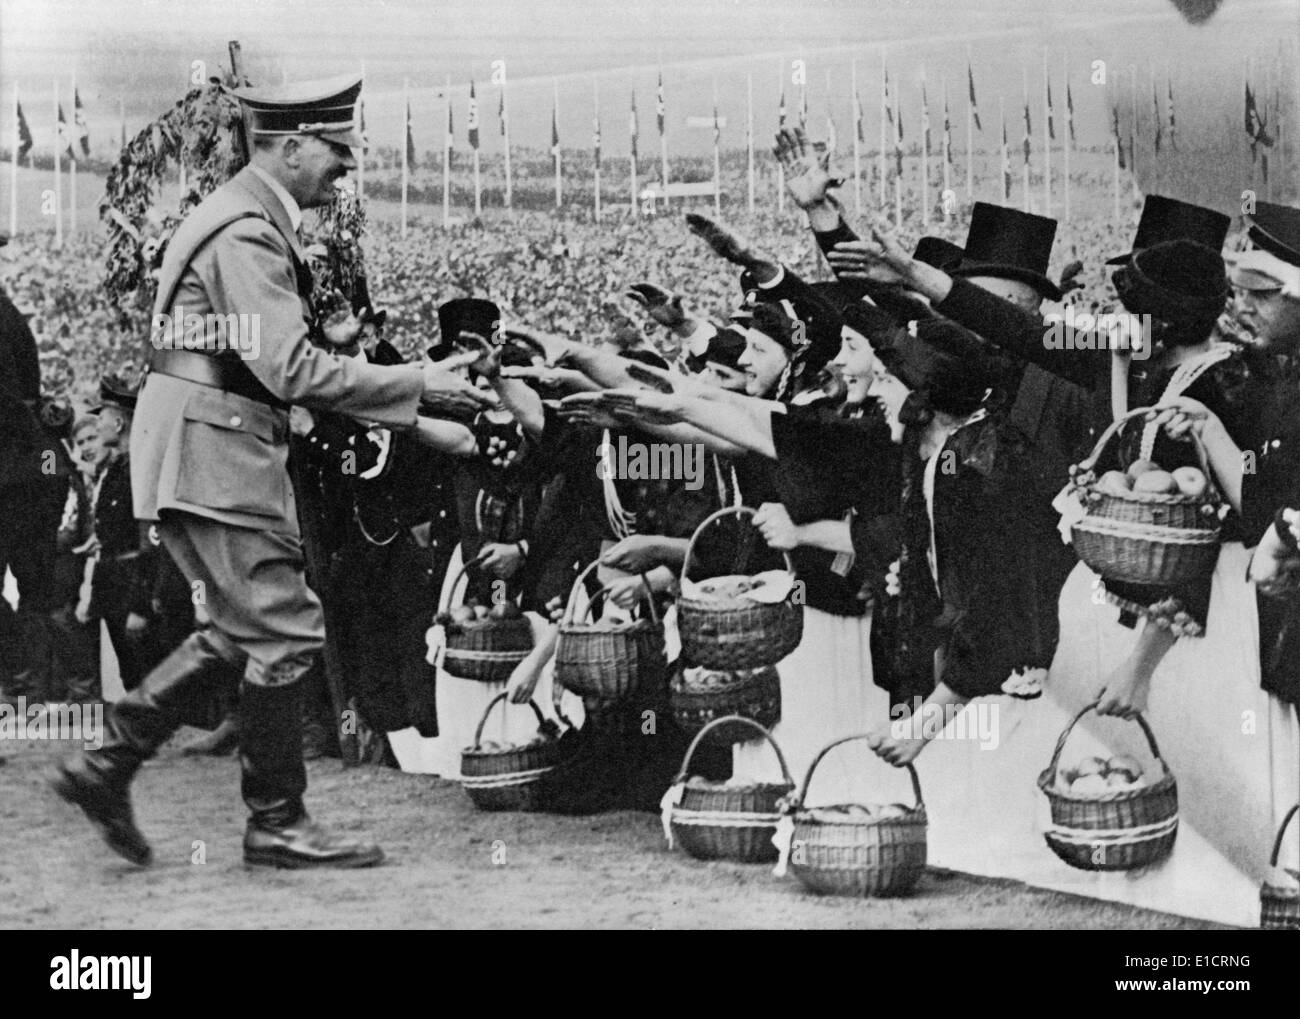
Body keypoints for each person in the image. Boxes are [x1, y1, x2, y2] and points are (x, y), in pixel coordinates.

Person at [51, 73, 491, 870]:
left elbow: (266, 366)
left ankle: (109, 759)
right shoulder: (248, 231)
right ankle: (276, 819)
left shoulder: (240, 217)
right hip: (215, 447)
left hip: (202, 438)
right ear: (289, 148)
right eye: (335, 150)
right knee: (286, 625)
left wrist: (411, 411)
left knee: (241, 624)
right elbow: (290, 367)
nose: (345, 167)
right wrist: (420, 380)